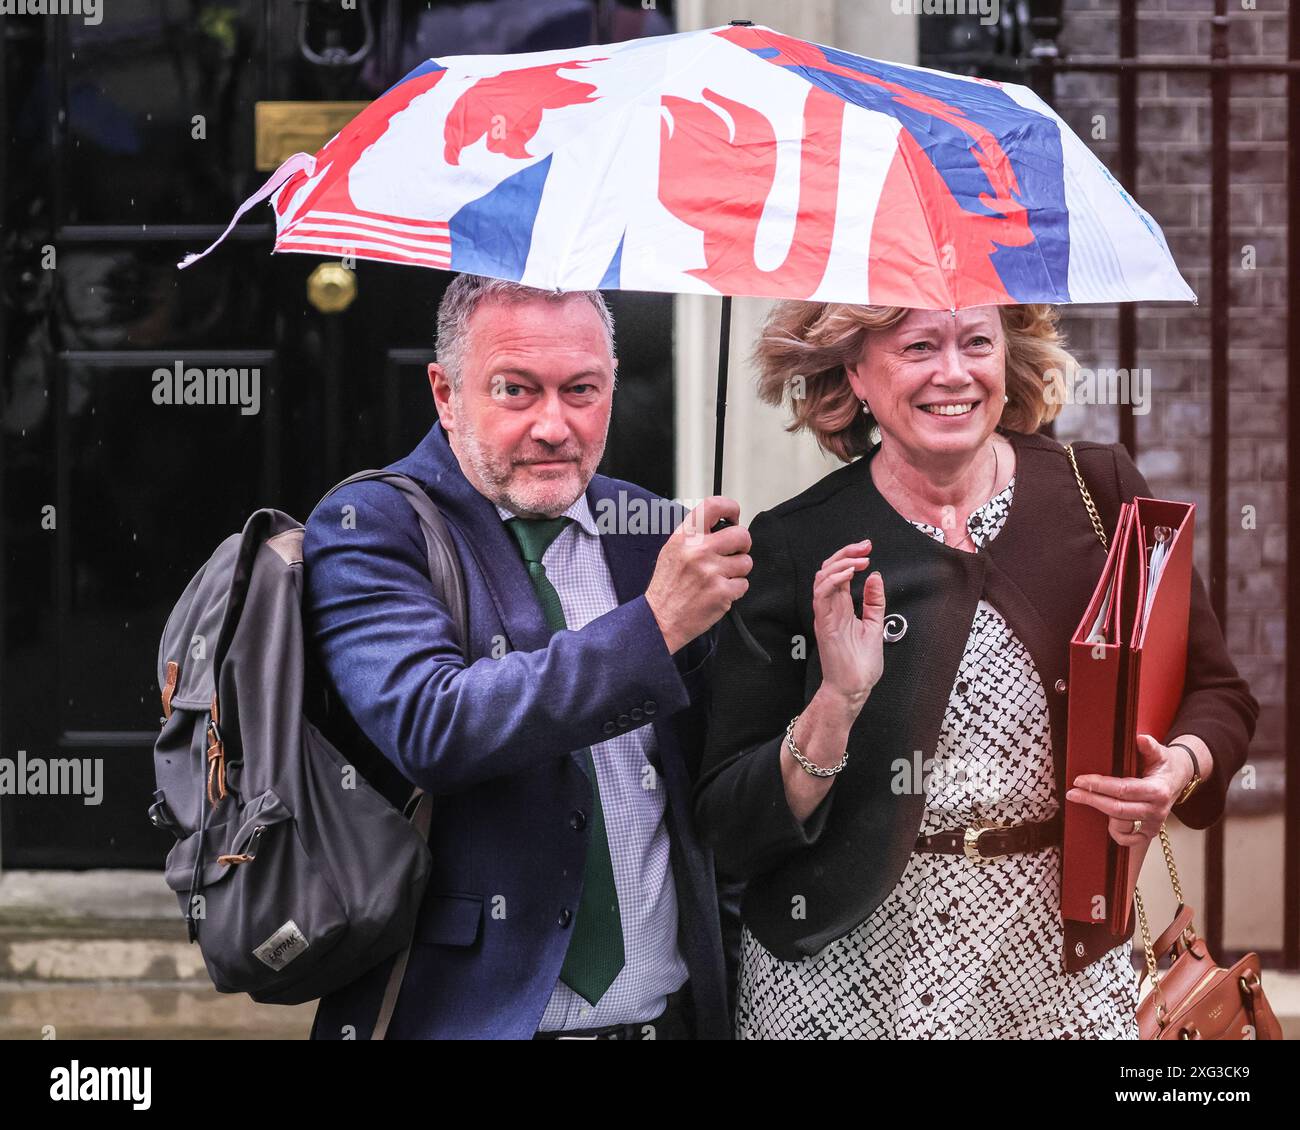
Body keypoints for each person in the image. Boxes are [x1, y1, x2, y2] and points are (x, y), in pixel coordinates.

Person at [694, 300, 1258, 1039]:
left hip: (1057, 965)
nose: (953, 373)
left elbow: (1218, 694)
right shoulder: (796, 543)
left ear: (1007, 356)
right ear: (856, 371)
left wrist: (1175, 770)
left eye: (976, 343)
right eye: (919, 346)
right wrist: (835, 702)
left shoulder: (1099, 495)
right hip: (844, 972)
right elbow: (730, 821)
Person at [302, 273, 750, 1039]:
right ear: (445, 393)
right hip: (465, 1020)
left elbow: (719, 787)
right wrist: (655, 626)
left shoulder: (659, 535)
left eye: (582, 390)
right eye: (516, 391)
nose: (554, 425)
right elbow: (433, 724)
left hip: (665, 1022)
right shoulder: (369, 526)